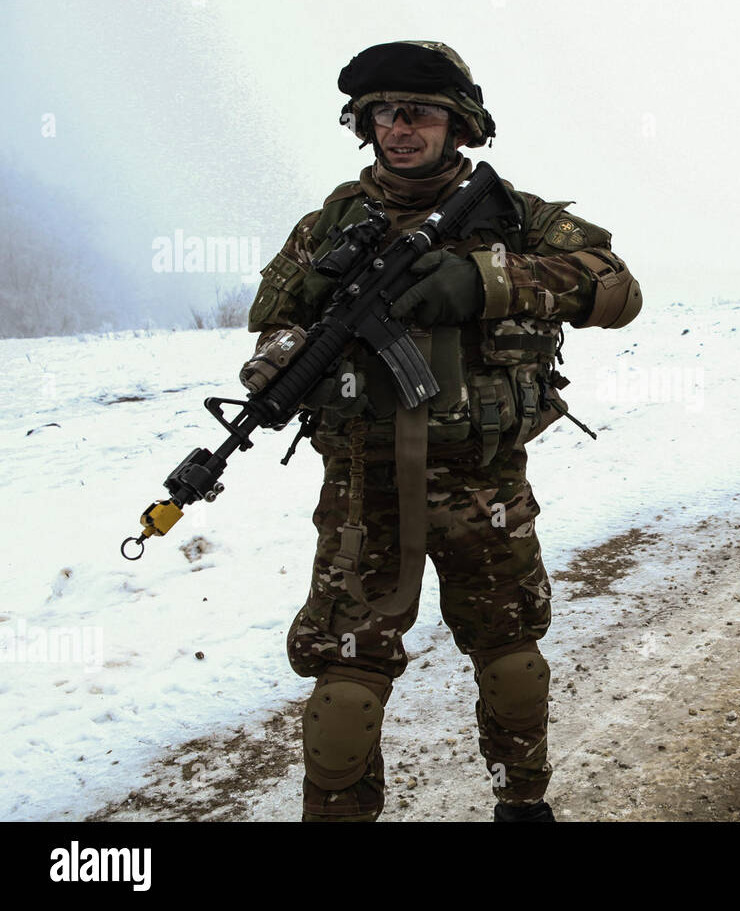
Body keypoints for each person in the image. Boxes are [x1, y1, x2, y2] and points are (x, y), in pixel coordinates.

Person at [245, 41, 641, 822]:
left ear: (457, 125)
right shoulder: (327, 227)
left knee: (510, 656)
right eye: (383, 113)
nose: (400, 128)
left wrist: (491, 281)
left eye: (419, 112)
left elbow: (618, 286)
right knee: (345, 684)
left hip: (482, 482)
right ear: (363, 124)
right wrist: (281, 360)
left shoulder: (518, 217)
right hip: (365, 485)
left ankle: (522, 805)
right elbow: (274, 326)